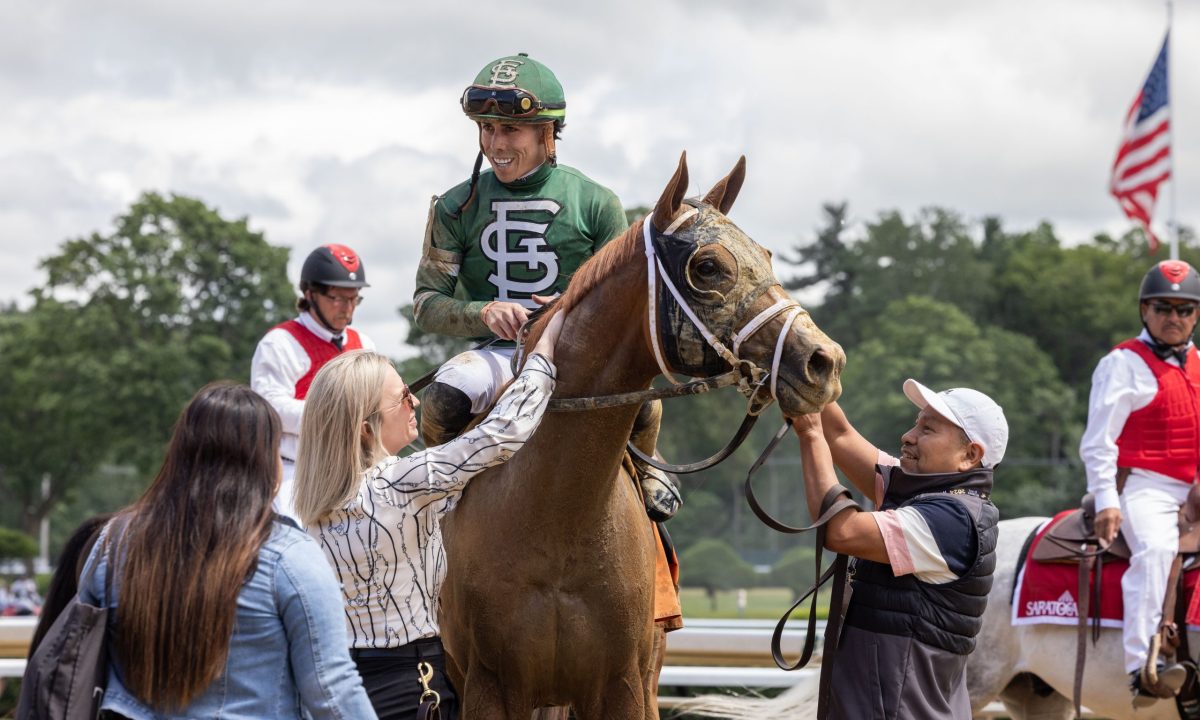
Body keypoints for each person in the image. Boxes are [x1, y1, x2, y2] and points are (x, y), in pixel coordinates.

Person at [412, 52, 681, 521]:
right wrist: (483, 312)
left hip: (577, 352)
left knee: (644, 405)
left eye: (509, 130)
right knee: (441, 400)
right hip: (497, 353)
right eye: (486, 128)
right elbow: (426, 303)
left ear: (547, 133)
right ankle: (438, 509)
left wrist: (568, 309)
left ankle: (646, 468)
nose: (495, 143)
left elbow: (622, 302)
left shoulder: (597, 203)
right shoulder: (454, 207)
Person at [292, 309, 565, 720]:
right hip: (411, 684)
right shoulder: (400, 484)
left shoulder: (312, 502)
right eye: (403, 397)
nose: (414, 402)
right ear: (367, 427)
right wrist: (542, 351)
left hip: (335, 686)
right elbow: (503, 434)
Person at [77, 383, 376, 719]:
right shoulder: (288, 557)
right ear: (264, 463)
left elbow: (78, 653)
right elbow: (331, 689)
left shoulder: (114, 543)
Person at [789, 379, 1007, 720]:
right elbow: (841, 435)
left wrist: (809, 434)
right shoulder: (924, 491)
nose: (908, 435)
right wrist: (802, 369)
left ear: (969, 455)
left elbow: (842, 532)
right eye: (916, 423)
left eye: (928, 429)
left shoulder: (952, 521)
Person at [1080, 259, 1200, 702]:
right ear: (1145, 311)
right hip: (1144, 485)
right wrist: (1108, 499)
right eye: (1163, 308)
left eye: (1184, 309)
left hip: (1192, 489)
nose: (1174, 317)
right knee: (1154, 551)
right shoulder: (1121, 363)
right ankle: (1143, 665)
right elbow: (1098, 441)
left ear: (1196, 315)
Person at [252, 243, 375, 521]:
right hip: (297, 473)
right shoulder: (280, 343)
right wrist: (337, 415)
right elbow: (270, 408)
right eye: (337, 298)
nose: (348, 309)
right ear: (310, 294)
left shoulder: (364, 343)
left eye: (354, 299)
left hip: (356, 469)